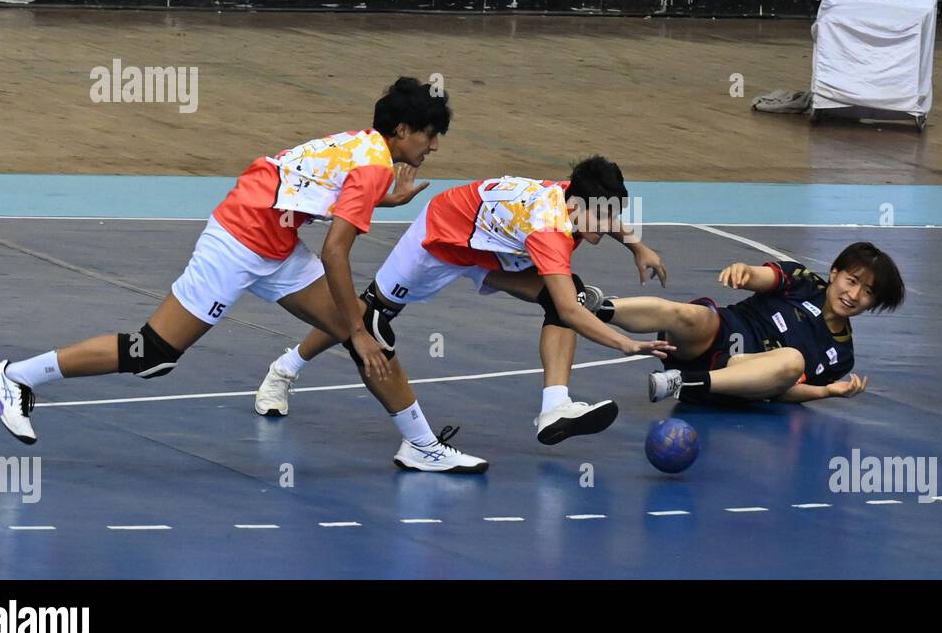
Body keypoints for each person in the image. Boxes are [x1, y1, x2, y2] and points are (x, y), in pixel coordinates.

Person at [0, 77, 490, 472]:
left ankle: (422, 446)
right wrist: (353, 326)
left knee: (370, 334)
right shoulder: (375, 166)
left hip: (275, 241)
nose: (434, 146)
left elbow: (329, 185)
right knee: (153, 353)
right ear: (402, 131)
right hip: (241, 241)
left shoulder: (364, 146)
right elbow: (337, 252)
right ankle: (16, 377)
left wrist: (385, 205)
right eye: (430, 134)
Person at [253, 156, 675, 454]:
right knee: (365, 317)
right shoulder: (550, 231)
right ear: (577, 204)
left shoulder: (575, 199)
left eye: (610, 216)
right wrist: (627, 345)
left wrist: (639, 246)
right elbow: (569, 314)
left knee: (572, 294)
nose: (606, 225)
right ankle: (284, 369)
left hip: (491, 247)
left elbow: (604, 225)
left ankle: (554, 408)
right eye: (601, 218)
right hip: (439, 241)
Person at [584, 243, 903, 404]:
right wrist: (743, 271)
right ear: (834, 272)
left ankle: (683, 383)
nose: (854, 294)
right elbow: (757, 276)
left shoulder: (841, 355)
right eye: (852, 280)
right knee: (693, 315)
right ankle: (596, 306)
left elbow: (782, 390)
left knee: (792, 360)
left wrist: (827, 392)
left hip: (733, 375)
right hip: (713, 334)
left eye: (868, 291)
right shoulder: (802, 281)